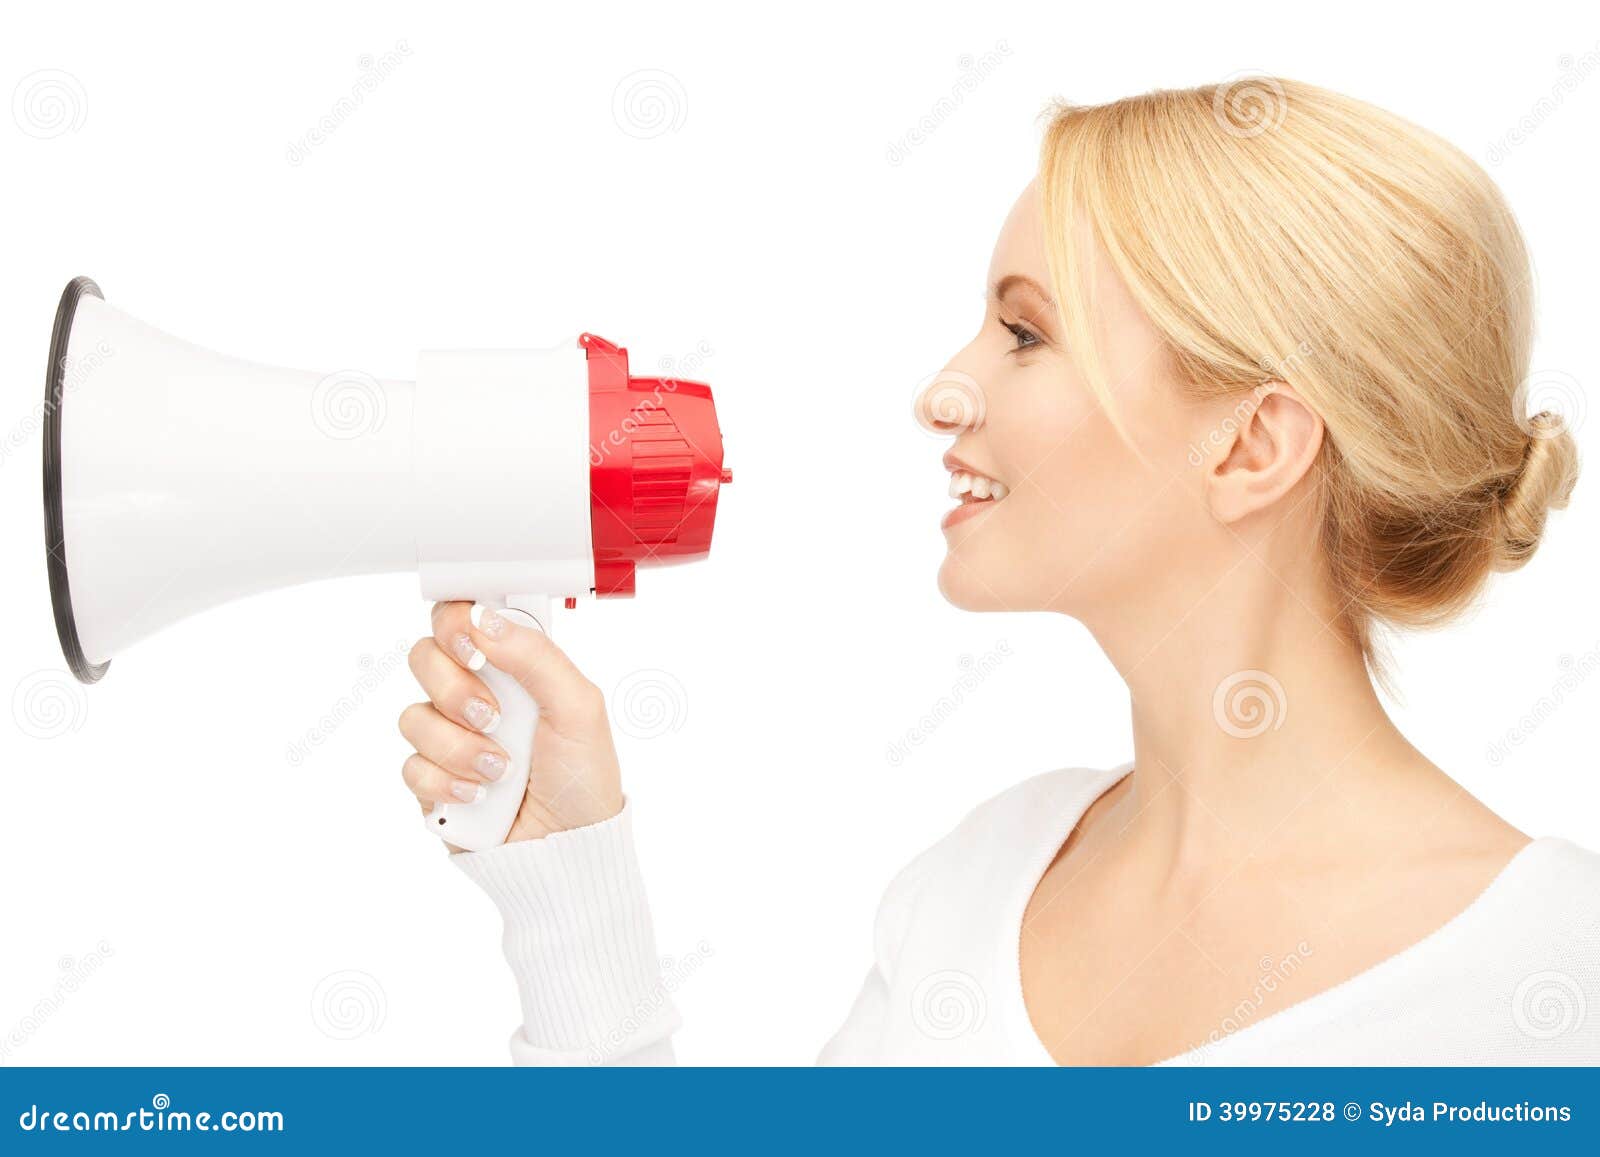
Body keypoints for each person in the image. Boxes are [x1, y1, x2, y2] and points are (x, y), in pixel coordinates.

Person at [395, 78, 1597, 1065]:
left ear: (1252, 444)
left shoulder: (1551, 977)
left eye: (1026, 333)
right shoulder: (981, 879)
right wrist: (570, 878)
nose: (939, 392)